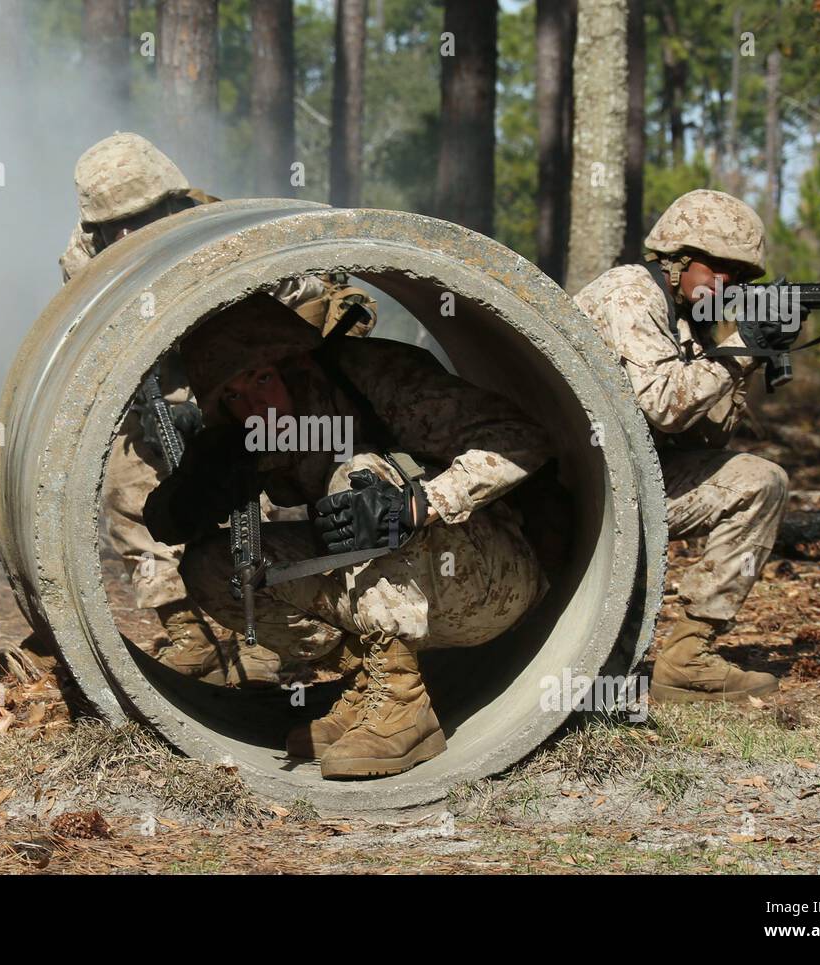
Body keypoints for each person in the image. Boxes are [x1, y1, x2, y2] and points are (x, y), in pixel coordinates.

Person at [144, 294, 552, 778]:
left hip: (490, 580)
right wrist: (199, 487)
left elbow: (524, 438)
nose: (255, 405)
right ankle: (369, 680)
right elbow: (166, 520)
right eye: (233, 395)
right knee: (214, 565)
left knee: (354, 481)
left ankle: (404, 707)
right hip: (407, 595)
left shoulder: (375, 377)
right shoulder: (248, 426)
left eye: (261, 380)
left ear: (292, 365)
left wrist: (423, 504)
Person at [63, 133, 376, 685]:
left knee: (274, 498)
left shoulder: (223, 232)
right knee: (129, 487)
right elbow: (95, 342)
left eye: (146, 217)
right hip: (160, 387)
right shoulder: (85, 262)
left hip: (250, 380)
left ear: (171, 205)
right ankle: (187, 627)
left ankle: (290, 633)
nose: (132, 235)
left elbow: (304, 302)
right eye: (117, 227)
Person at [574, 188, 788, 702]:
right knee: (600, 677)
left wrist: (750, 354)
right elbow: (663, 405)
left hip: (626, 479)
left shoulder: (688, 318)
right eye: (720, 271)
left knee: (760, 482)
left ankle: (689, 655)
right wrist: (738, 348)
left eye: (739, 278)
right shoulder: (631, 294)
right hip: (577, 485)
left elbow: (703, 436)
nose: (728, 285)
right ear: (680, 259)